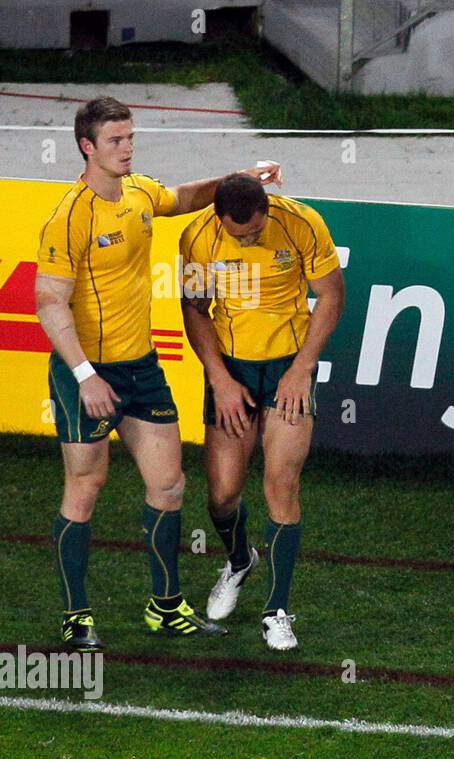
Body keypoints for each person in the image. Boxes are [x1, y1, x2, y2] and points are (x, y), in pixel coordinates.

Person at [34, 95, 280, 651]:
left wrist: (239, 179)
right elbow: (48, 300)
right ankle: (77, 619)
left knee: (169, 485)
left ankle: (165, 607)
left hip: (141, 369)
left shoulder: (139, 192)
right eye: (116, 141)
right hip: (87, 376)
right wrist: (84, 375)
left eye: (130, 138)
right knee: (85, 487)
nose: (127, 148)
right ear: (87, 147)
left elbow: (184, 197)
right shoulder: (69, 216)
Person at [178, 174, 344, 650]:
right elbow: (194, 308)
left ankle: (277, 612)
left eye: (253, 231)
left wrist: (303, 368)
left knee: (281, 485)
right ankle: (238, 560)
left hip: (287, 370)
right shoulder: (198, 237)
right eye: (238, 234)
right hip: (231, 371)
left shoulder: (302, 223)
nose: (246, 238)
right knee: (222, 496)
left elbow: (331, 294)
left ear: (267, 210)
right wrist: (219, 378)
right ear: (219, 217)